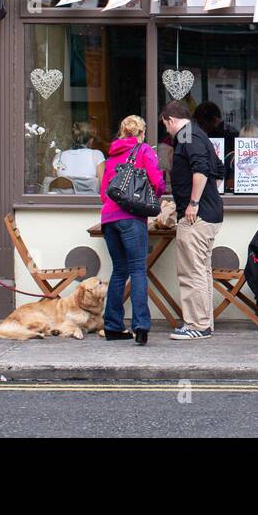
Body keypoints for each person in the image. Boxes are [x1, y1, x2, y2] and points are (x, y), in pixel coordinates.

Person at [96, 115, 164, 345]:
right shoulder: (144, 151)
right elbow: (157, 182)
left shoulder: (112, 154)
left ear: (122, 132)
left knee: (119, 270)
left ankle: (113, 326)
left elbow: (104, 192)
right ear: (141, 133)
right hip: (131, 218)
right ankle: (141, 326)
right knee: (137, 270)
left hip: (108, 219)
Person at [161, 99, 225, 340]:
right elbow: (219, 169)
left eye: (165, 124)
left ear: (171, 120)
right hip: (210, 214)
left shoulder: (187, 136)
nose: (166, 130)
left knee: (191, 272)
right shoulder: (199, 135)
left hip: (196, 216)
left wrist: (194, 203)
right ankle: (204, 323)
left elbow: (201, 169)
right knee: (202, 271)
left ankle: (197, 326)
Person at [54, 121, 105, 192]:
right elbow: (103, 185)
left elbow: (53, 183)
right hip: (90, 201)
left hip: (61, 202)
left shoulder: (59, 156)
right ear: (91, 140)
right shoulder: (97, 155)